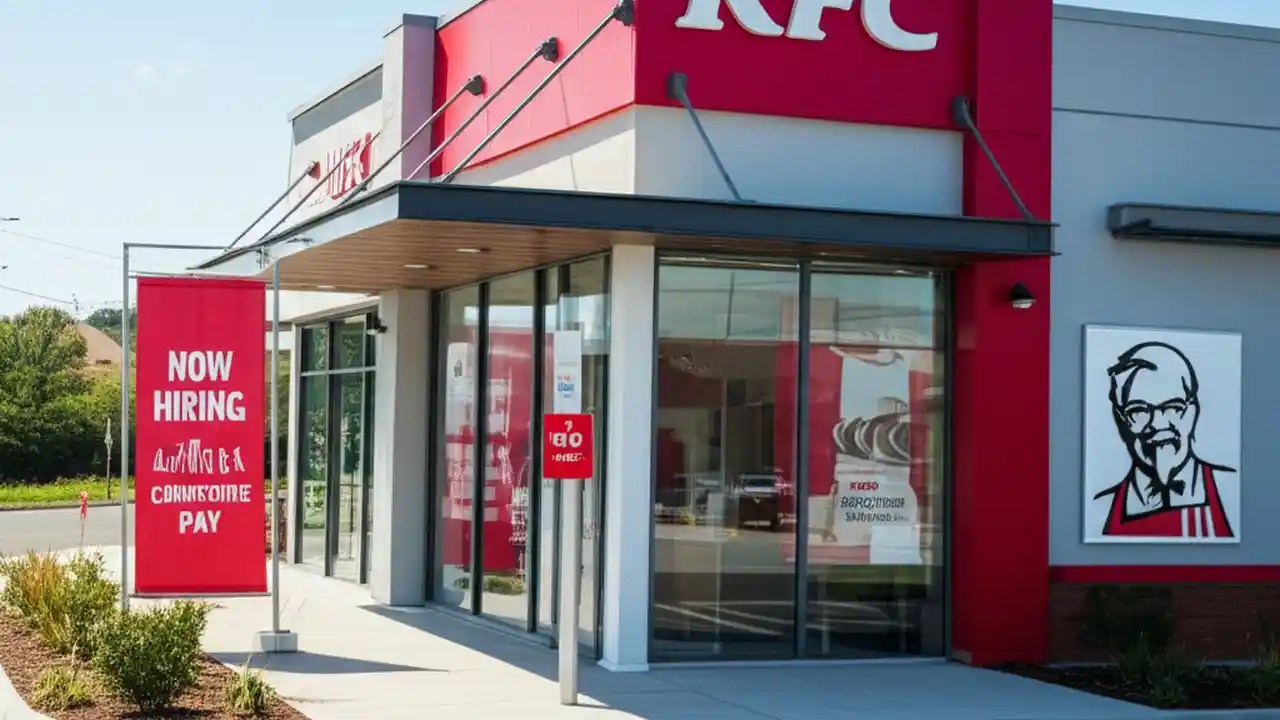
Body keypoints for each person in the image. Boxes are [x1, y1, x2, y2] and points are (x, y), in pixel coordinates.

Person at [1094, 342, 1234, 539]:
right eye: (1139, 411)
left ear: (1192, 412)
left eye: (1173, 408)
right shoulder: (1101, 506)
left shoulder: (1231, 489)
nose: (1158, 424)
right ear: (1120, 420)